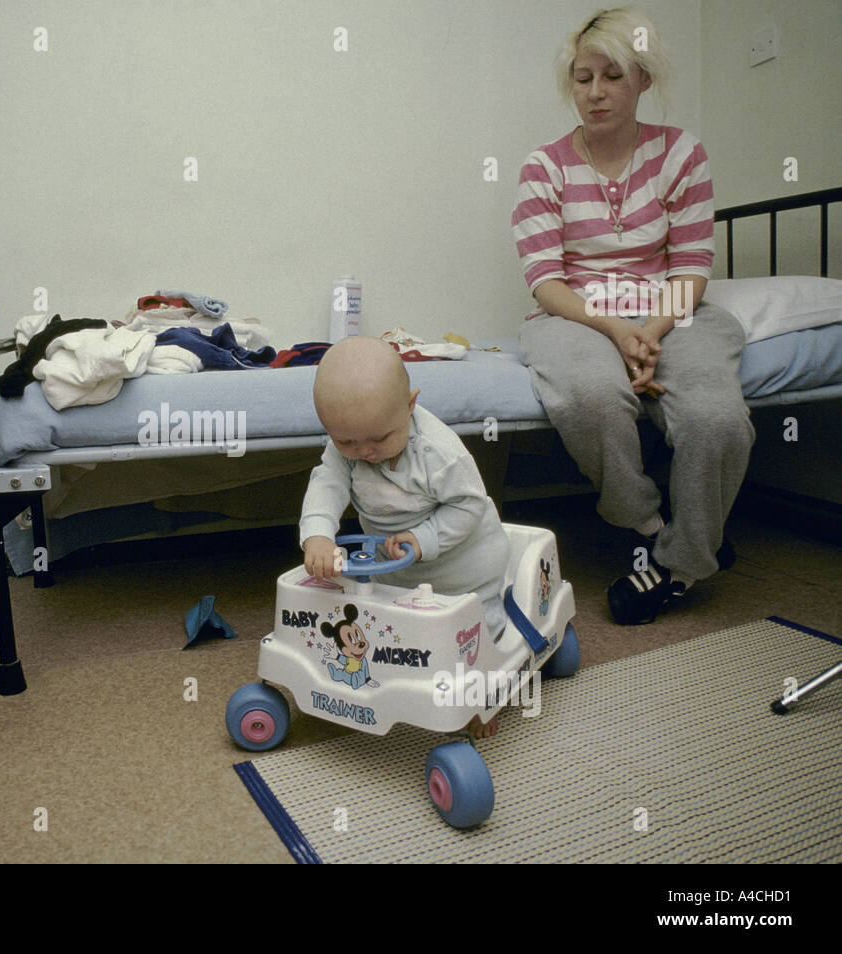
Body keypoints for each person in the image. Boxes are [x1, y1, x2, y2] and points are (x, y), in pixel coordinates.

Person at [511, 7, 752, 625]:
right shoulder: (544, 167)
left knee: (716, 417)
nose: (594, 93)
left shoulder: (682, 155)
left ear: (642, 79)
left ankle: (681, 563)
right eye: (582, 77)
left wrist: (650, 331)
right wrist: (616, 331)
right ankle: (647, 521)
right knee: (591, 394)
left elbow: (692, 266)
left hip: (672, 312)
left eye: (612, 76)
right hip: (577, 314)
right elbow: (545, 281)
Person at [299, 336, 510, 737]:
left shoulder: (438, 452)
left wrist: (425, 538)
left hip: (465, 568)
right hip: (394, 567)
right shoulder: (345, 450)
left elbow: (469, 505)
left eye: (380, 439)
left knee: (476, 627)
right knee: (388, 620)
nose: (365, 452)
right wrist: (318, 536)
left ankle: (484, 695)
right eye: (347, 441)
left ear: (410, 406)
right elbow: (326, 486)